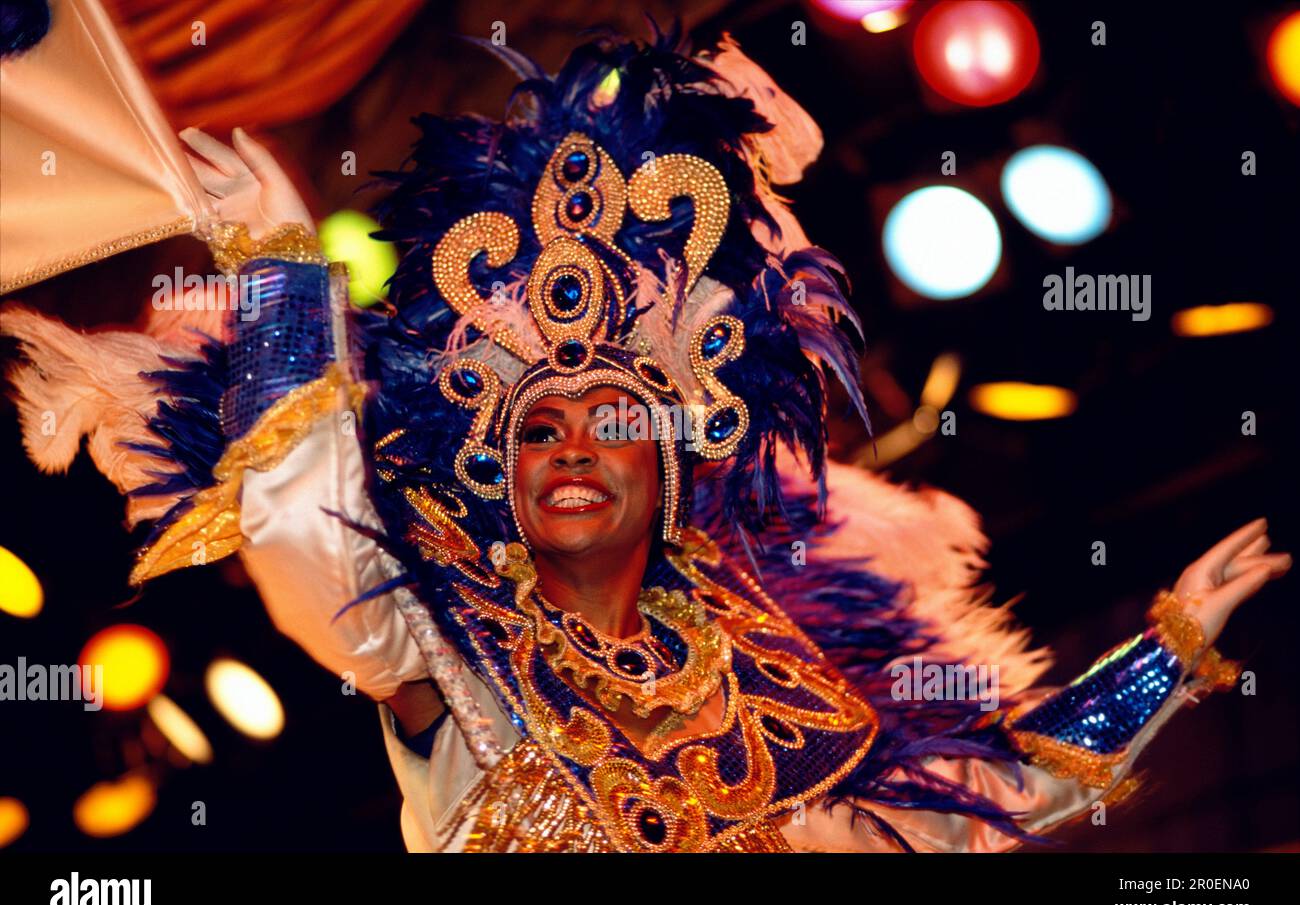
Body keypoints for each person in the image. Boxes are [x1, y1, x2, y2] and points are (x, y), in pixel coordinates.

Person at [2, 30, 1288, 853]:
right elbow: (307, 528)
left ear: (664, 469)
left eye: (612, 419)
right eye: (537, 426)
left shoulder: (776, 691)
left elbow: (981, 804)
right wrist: (283, 272)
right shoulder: (449, 661)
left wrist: (1164, 654)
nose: (570, 445)